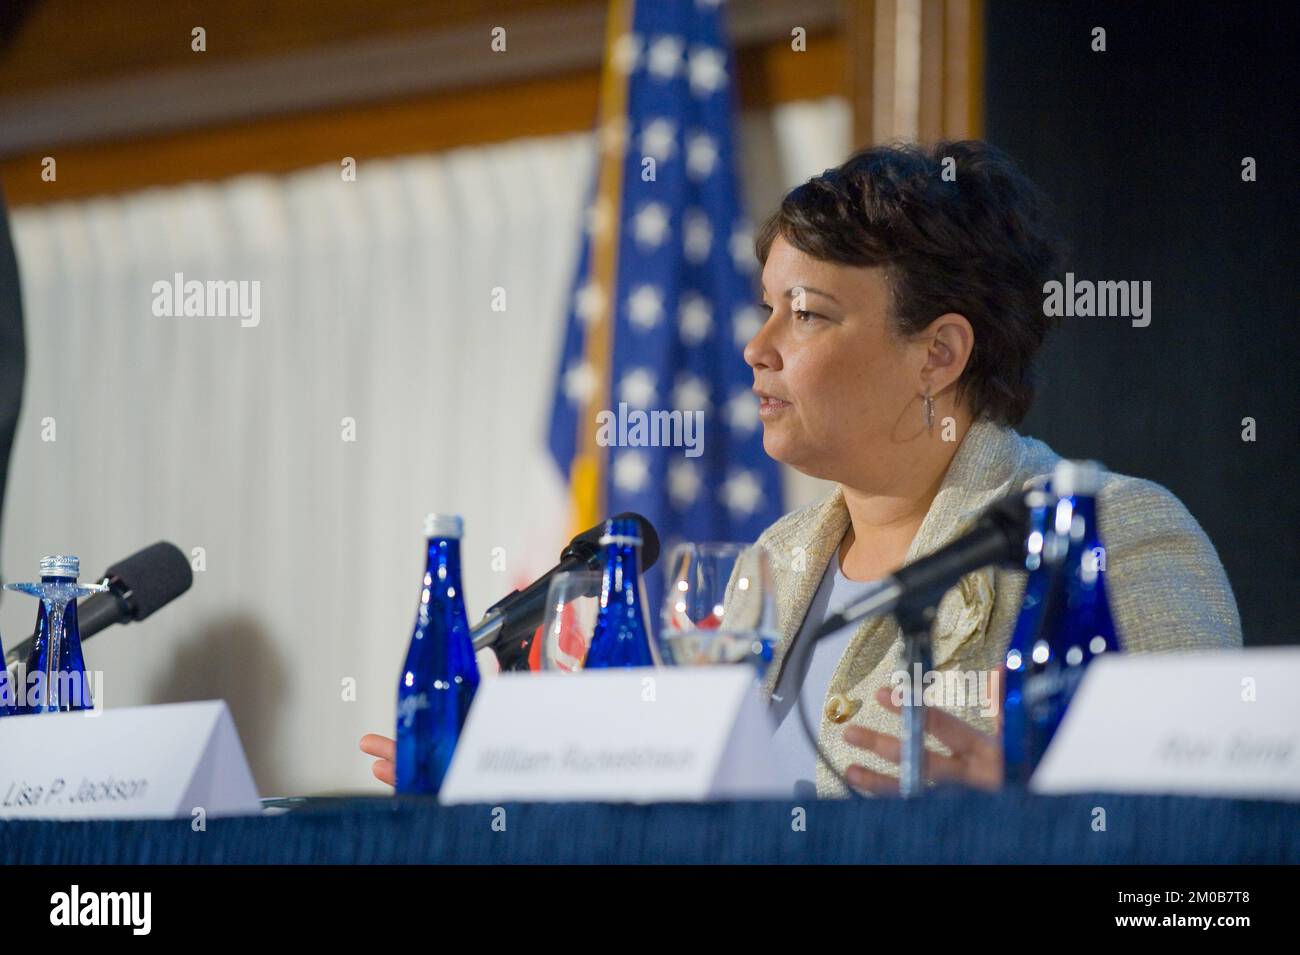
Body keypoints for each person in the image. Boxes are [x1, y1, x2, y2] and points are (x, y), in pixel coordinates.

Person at [362, 141, 1243, 796]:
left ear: (937, 353)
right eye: (764, 309)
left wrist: (1021, 813)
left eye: (809, 315)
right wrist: (502, 779)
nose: (757, 348)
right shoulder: (763, 572)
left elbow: (1212, 873)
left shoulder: (1120, 542)